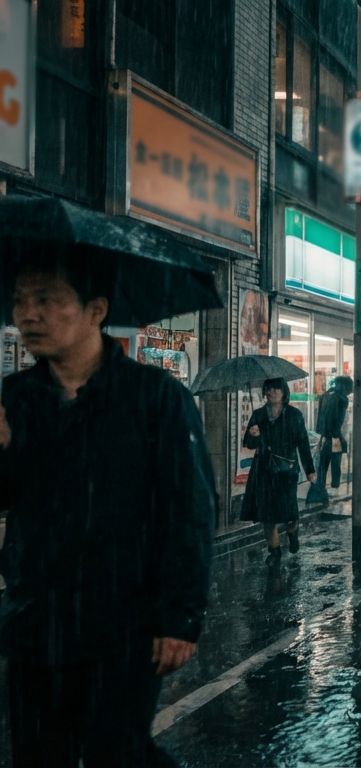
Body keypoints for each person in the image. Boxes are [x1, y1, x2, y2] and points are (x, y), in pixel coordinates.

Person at [0, 255, 216, 765]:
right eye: (19, 301)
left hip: (122, 625)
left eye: (45, 300)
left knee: (114, 753)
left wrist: (181, 616)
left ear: (96, 310)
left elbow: (189, 507)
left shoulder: (153, 397)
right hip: (36, 624)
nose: (26, 315)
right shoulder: (16, 398)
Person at [244, 378, 317, 561]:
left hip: (287, 470)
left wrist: (309, 469)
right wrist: (253, 435)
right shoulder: (258, 415)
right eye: (268, 389)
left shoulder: (294, 415)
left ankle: (292, 533)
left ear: (284, 392)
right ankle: (274, 550)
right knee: (267, 514)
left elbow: (303, 443)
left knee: (289, 511)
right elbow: (248, 443)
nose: (271, 392)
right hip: (264, 470)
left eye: (276, 389)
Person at [315, 375, 352, 491]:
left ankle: (320, 485)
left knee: (323, 462)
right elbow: (339, 419)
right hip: (334, 434)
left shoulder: (325, 395)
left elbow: (321, 415)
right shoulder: (342, 399)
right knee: (336, 461)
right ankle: (335, 486)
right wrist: (338, 434)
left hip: (324, 434)